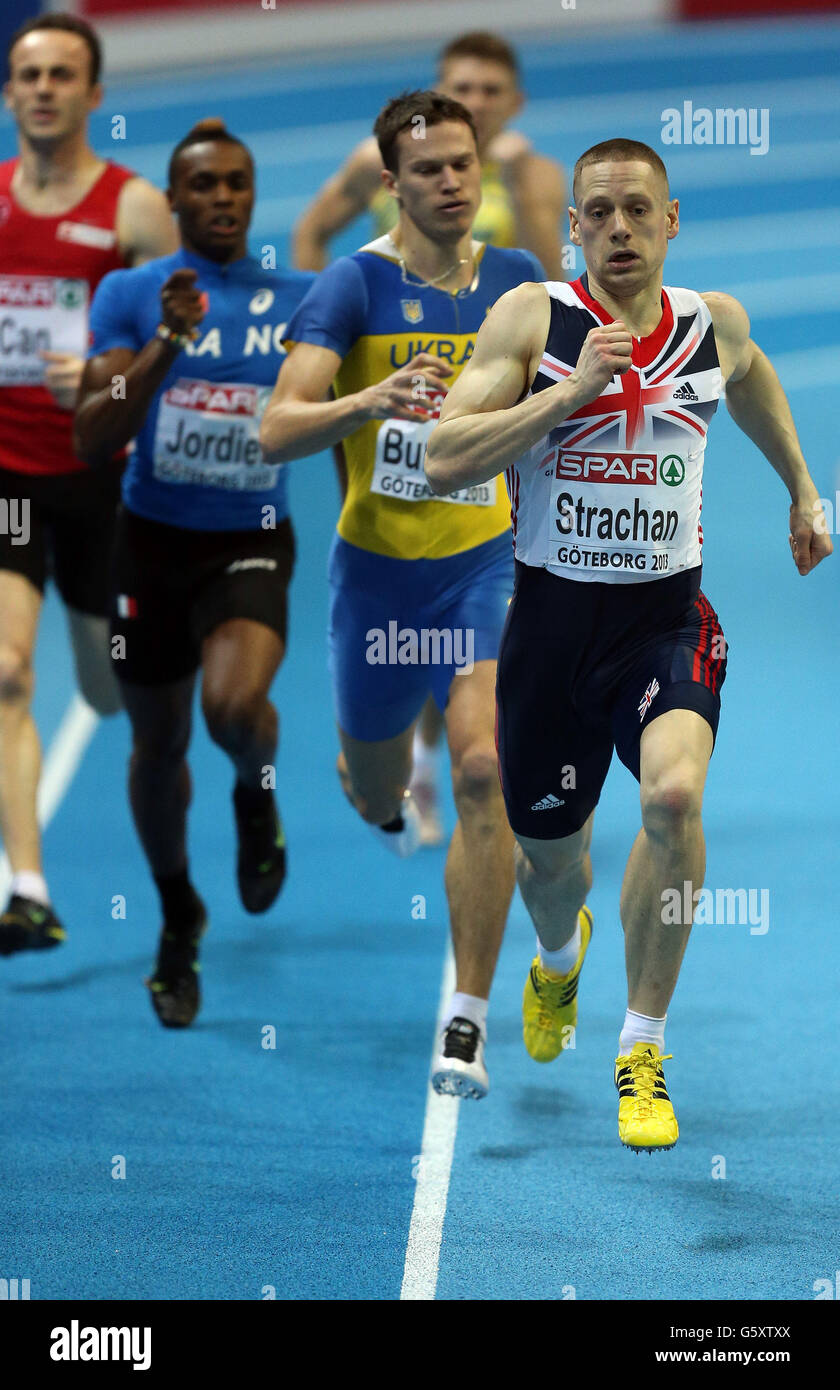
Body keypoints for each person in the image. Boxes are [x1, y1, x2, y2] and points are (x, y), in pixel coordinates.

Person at [425, 137, 831, 1149]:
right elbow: (440, 455)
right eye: (596, 212)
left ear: (671, 219)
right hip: (552, 635)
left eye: (636, 211)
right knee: (552, 869)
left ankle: (642, 1048)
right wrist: (563, 398)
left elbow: (752, 378)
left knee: (673, 796)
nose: (616, 229)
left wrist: (803, 488)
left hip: (665, 623)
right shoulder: (536, 320)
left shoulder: (711, 324)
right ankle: (558, 962)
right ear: (572, 226)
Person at [260, 91, 545, 1099]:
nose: (453, 182)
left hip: (484, 566)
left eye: (464, 164)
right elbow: (276, 427)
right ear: (391, 181)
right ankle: (372, 782)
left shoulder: (518, 283)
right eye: (428, 169)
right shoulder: (351, 288)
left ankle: (464, 1018)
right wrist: (369, 398)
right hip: (377, 581)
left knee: (480, 770)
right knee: (379, 789)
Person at [293, 31, 568, 846]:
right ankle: (384, 769)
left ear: (509, 108)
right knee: (380, 782)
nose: (473, 103)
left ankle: (458, 767)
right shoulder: (369, 238)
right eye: (460, 86)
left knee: (481, 761)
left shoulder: (530, 184)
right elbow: (313, 232)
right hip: (382, 462)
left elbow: (557, 302)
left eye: (488, 92)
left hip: (483, 492)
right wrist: (332, 344)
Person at [74, 120, 314, 1028]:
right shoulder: (134, 295)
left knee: (234, 712)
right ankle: (179, 914)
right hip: (150, 547)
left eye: (236, 184)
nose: (221, 199)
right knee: (158, 746)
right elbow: (95, 430)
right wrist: (167, 342)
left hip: (250, 538)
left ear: (253, 196)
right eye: (203, 186)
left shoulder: (300, 296)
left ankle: (256, 800)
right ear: (171, 202)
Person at [0, 12, 176, 958]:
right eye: (27, 73)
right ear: (7, 90)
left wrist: (106, 379)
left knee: (108, 692)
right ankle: (28, 889)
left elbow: (183, 348)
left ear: (93, 95)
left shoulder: (134, 211)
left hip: (104, 483)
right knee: (6, 671)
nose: (42, 88)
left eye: (62, 74)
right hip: (8, 479)